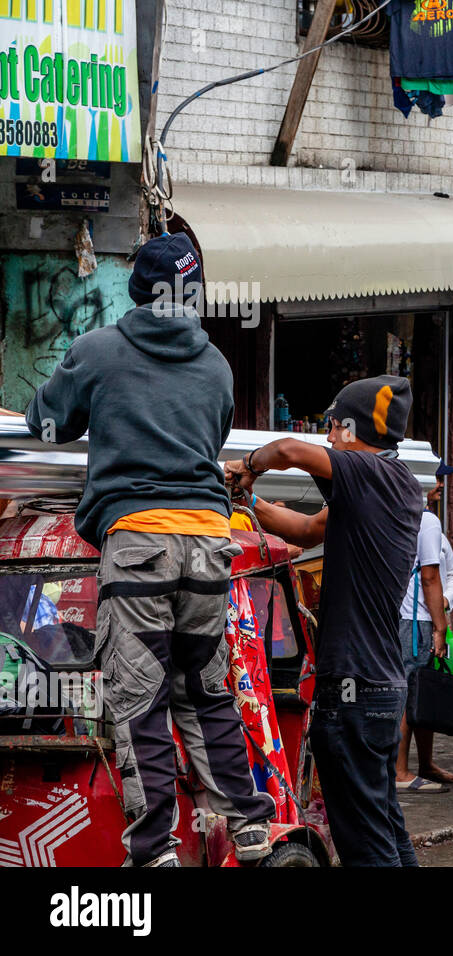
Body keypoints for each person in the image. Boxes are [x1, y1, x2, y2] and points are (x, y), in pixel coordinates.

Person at [23, 233, 274, 868]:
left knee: (140, 701)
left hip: (138, 544)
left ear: (135, 289)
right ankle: (249, 824)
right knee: (205, 691)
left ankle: (154, 850)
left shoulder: (98, 351)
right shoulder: (217, 364)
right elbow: (210, 442)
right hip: (209, 547)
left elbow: (44, 421)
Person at [224, 375, 423, 866]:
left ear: (353, 432)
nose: (329, 438)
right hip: (378, 688)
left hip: (354, 690)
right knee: (385, 833)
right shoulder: (392, 487)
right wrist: (248, 502)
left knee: (365, 848)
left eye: (333, 428)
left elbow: (289, 450)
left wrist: (246, 465)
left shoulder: (367, 473)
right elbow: (308, 530)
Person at [395, 462, 453, 793]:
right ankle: (401, 771)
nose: (440, 485)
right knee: (411, 691)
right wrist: (440, 626)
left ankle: (422, 764)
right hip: (416, 620)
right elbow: (431, 576)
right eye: (435, 478)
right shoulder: (427, 521)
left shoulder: (398, 514)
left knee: (423, 687)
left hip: (399, 616)